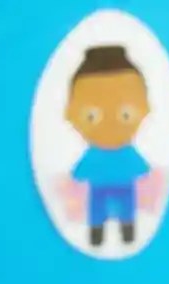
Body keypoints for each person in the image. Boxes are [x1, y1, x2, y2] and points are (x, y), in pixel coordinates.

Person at [66, 45, 153, 248]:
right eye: (91, 116)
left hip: (113, 185)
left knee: (121, 206)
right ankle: (103, 231)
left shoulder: (117, 154)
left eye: (125, 115)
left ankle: (121, 229)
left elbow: (80, 172)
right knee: (100, 207)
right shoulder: (101, 154)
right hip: (106, 186)